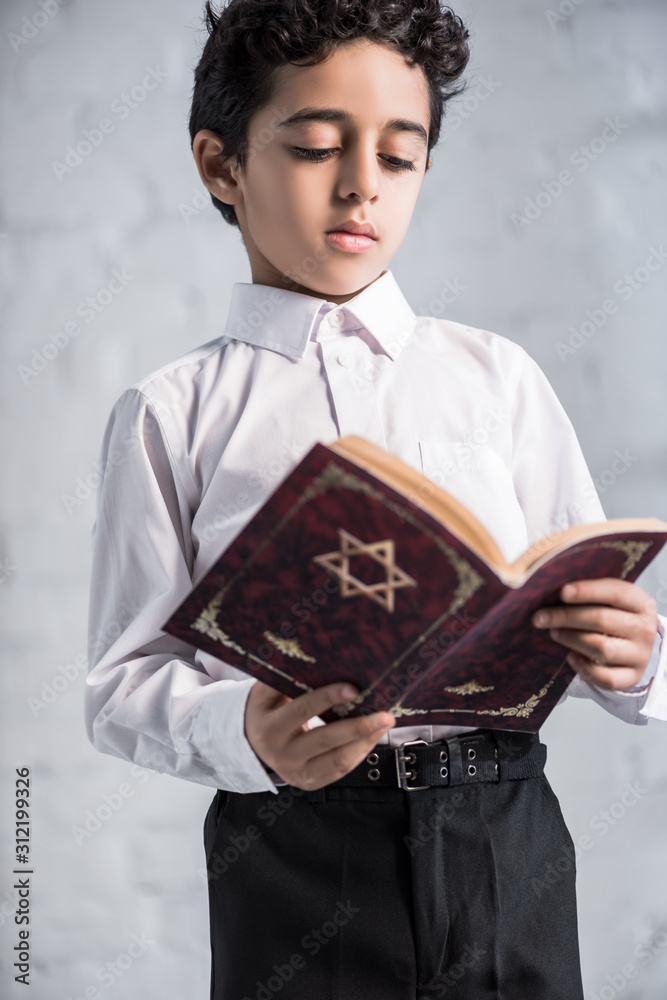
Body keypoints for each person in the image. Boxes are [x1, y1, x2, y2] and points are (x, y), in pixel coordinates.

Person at [84, 2, 667, 998]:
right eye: (315, 145)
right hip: (294, 847)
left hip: (504, 832)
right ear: (222, 166)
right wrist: (244, 733)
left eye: (400, 157)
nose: (361, 184)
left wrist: (634, 658)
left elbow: (576, 596)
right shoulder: (170, 414)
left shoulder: (498, 378)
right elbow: (120, 682)